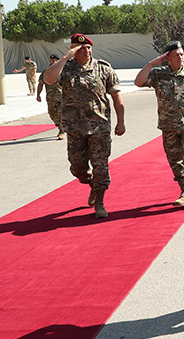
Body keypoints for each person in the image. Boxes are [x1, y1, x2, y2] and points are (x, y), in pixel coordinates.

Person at [43, 33, 125, 219]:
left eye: (89, 47)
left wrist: (121, 121)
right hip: (75, 128)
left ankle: (100, 201)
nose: (86, 51)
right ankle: (92, 185)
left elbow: (116, 96)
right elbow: (48, 78)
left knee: (100, 166)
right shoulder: (65, 68)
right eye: (81, 48)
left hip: (99, 127)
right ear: (73, 50)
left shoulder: (103, 68)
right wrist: (65, 57)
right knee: (77, 167)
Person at [134, 41, 184, 210]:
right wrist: (151, 64)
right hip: (168, 126)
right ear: (167, 58)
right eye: (176, 55)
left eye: (182, 54)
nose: (181, 57)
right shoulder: (159, 74)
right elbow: (138, 82)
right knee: (175, 160)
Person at [37, 54, 65, 139]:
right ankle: (61, 126)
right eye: (52, 60)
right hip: (50, 97)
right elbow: (40, 84)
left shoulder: (62, 72)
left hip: (62, 97)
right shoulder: (46, 72)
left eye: (56, 60)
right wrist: (38, 95)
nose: (54, 62)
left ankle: (62, 130)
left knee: (61, 114)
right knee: (52, 114)